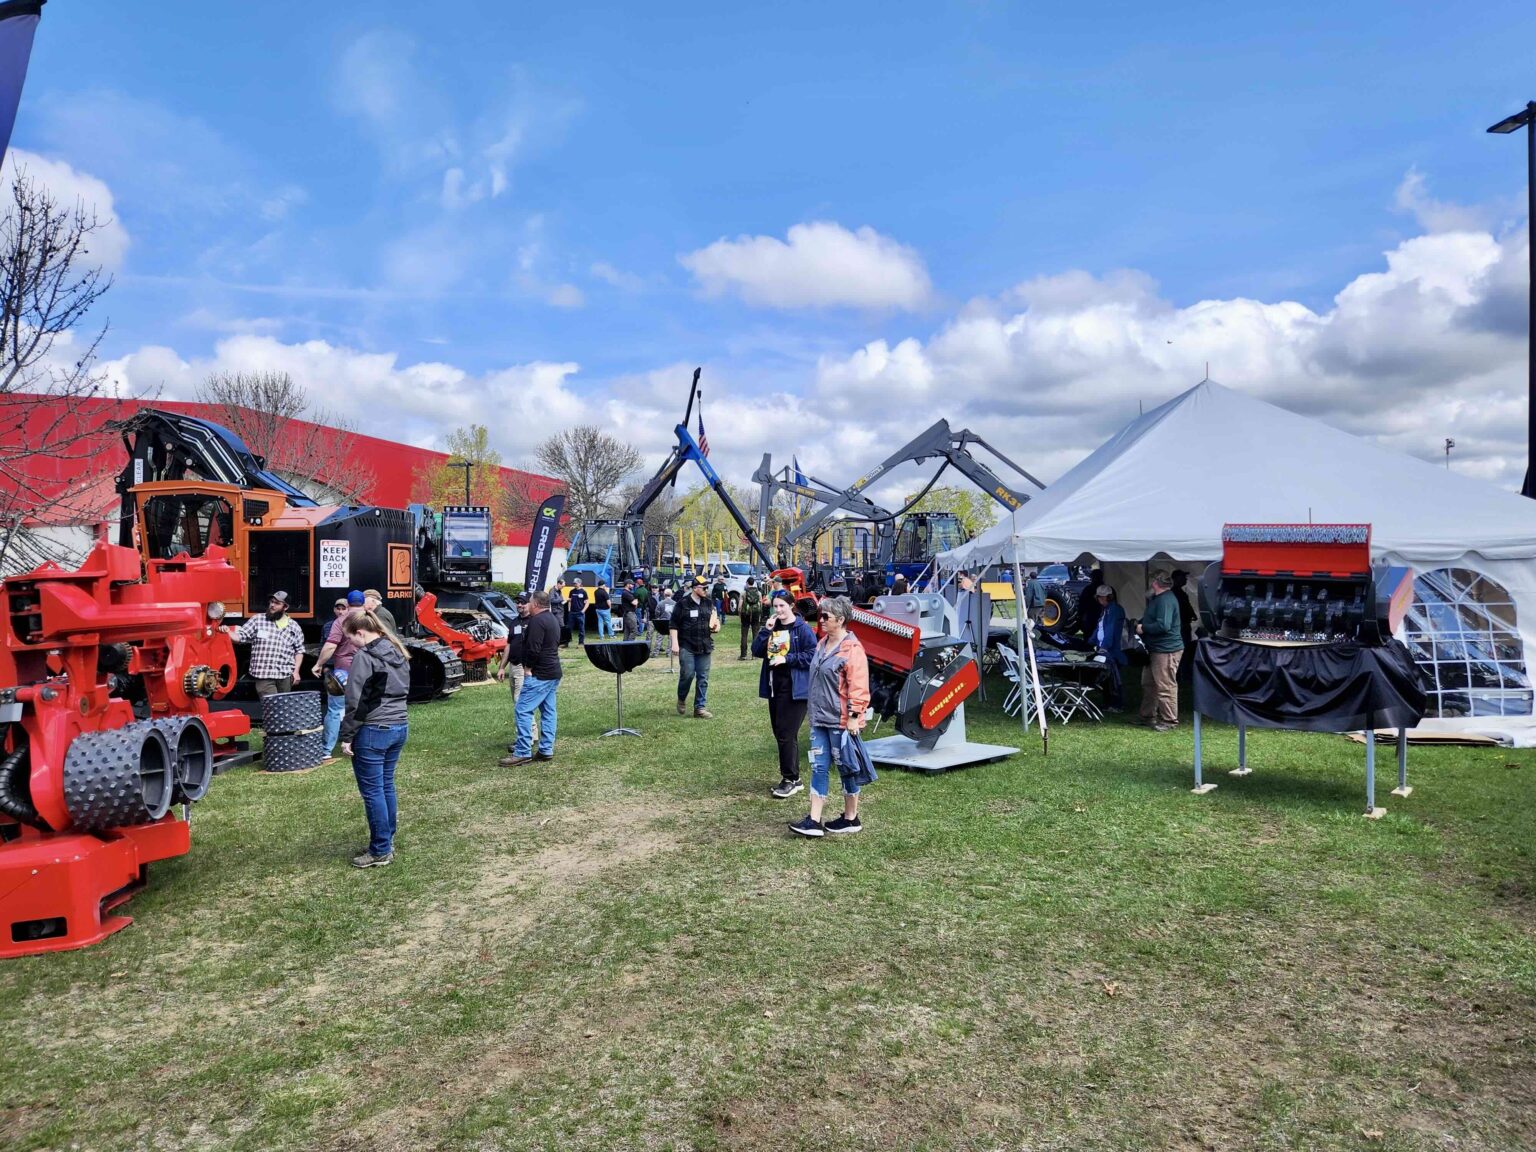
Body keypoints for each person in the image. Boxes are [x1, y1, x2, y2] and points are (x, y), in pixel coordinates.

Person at [789, 596, 871, 838]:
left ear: (841, 620)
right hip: (819, 720)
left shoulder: (852, 649)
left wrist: (854, 717)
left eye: (826, 617)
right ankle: (813, 821)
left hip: (841, 721)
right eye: (820, 615)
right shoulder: (821, 643)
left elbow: (859, 686)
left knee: (847, 768)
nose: (821, 620)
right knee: (818, 767)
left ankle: (850, 818)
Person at [338, 609, 411, 869]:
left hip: (374, 729)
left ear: (360, 633)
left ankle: (380, 849)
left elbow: (356, 699)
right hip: (399, 725)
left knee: (373, 791)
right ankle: (387, 839)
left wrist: (347, 736)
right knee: (385, 785)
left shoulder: (365, 656)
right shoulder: (398, 651)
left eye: (351, 639)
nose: (352, 644)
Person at [753, 590, 817, 798]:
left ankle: (789, 778)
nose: (779, 610)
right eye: (776, 606)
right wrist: (765, 630)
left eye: (782, 605)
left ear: (791, 605)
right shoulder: (773, 627)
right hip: (775, 687)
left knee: (786, 734)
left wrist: (787, 659)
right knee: (781, 732)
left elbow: (812, 655)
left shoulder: (802, 629)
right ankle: (794, 778)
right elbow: (756, 650)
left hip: (796, 689)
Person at [501, 590, 561, 766]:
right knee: (549, 711)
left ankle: (522, 752)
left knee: (523, 709)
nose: (525, 605)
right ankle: (546, 749)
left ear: (535, 604)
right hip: (553, 672)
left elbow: (533, 648)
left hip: (539, 674)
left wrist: (527, 668)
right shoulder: (552, 619)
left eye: (528, 602)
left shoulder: (536, 621)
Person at [312, 589, 366, 762]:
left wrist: (319, 664)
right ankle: (362, 746)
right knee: (365, 708)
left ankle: (327, 750)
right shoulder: (371, 619)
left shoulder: (340, 621)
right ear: (363, 603)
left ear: (348, 605)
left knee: (335, 711)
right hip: (366, 670)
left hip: (343, 672)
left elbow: (329, 647)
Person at [229, 590, 306, 697]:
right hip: (264, 674)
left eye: (277, 603)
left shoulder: (294, 626)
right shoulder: (258, 620)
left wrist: (296, 671)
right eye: (271, 602)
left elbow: (299, 650)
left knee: (283, 709)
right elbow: (240, 637)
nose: (272, 605)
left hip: (285, 675)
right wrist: (227, 632)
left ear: (285, 607)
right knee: (272, 706)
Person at [1137, 570, 1184, 731]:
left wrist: (1144, 628)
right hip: (1157, 649)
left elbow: (1164, 625)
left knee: (1165, 686)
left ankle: (1170, 721)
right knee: (1149, 683)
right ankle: (1147, 716)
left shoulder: (1165, 600)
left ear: (1156, 583)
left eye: (1152, 581)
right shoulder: (1160, 599)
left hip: (1166, 650)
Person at [672, 574, 720, 718]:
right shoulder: (682, 603)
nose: (706, 589)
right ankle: (681, 698)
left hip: (704, 645)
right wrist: (675, 643)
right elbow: (673, 624)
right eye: (704, 587)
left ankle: (699, 708)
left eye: (707, 587)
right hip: (687, 645)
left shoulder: (708, 602)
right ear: (694, 588)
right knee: (687, 674)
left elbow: (714, 619)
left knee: (703, 677)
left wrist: (716, 626)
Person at [1088, 584, 1127, 711]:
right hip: (1106, 649)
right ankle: (1109, 703)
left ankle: (1116, 704)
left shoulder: (1113, 610)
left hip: (1111, 650)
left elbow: (1109, 630)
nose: (1098, 600)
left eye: (1100, 597)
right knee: (1107, 678)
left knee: (1113, 678)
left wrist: (1104, 647)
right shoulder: (1107, 609)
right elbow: (1100, 628)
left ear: (1106, 597)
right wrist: (1092, 642)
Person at [1170, 569, 1200, 683]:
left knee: (1184, 651)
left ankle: (1183, 676)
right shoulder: (1175, 593)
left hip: (1183, 626)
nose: (1185, 579)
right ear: (1176, 579)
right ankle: (1182, 676)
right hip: (1180, 626)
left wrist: (1191, 614)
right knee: (1182, 652)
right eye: (1183, 577)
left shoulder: (1179, 593)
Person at [738, 576, 763, 660]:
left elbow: (740, 606)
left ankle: (743, 655)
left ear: (747, 583)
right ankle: (754, 654)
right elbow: (761, 604)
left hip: (746, 614)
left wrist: (740, 614)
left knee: (744, 634)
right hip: (756, 614)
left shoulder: (743, 593)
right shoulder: (758, 593)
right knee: (755, 633)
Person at [567, 578, 588, 646]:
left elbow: (587, 602)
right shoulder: (571, 591)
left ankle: (581, 642)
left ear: (579, 583)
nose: (574, 584)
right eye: (574, 583)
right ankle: (566, 642)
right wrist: (569, 609)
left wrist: (583, 611)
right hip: (572, 613)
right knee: (569, 628)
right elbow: (570, 601)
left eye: (575, 583)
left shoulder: (583, 592)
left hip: (580, 613)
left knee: (581, 628)